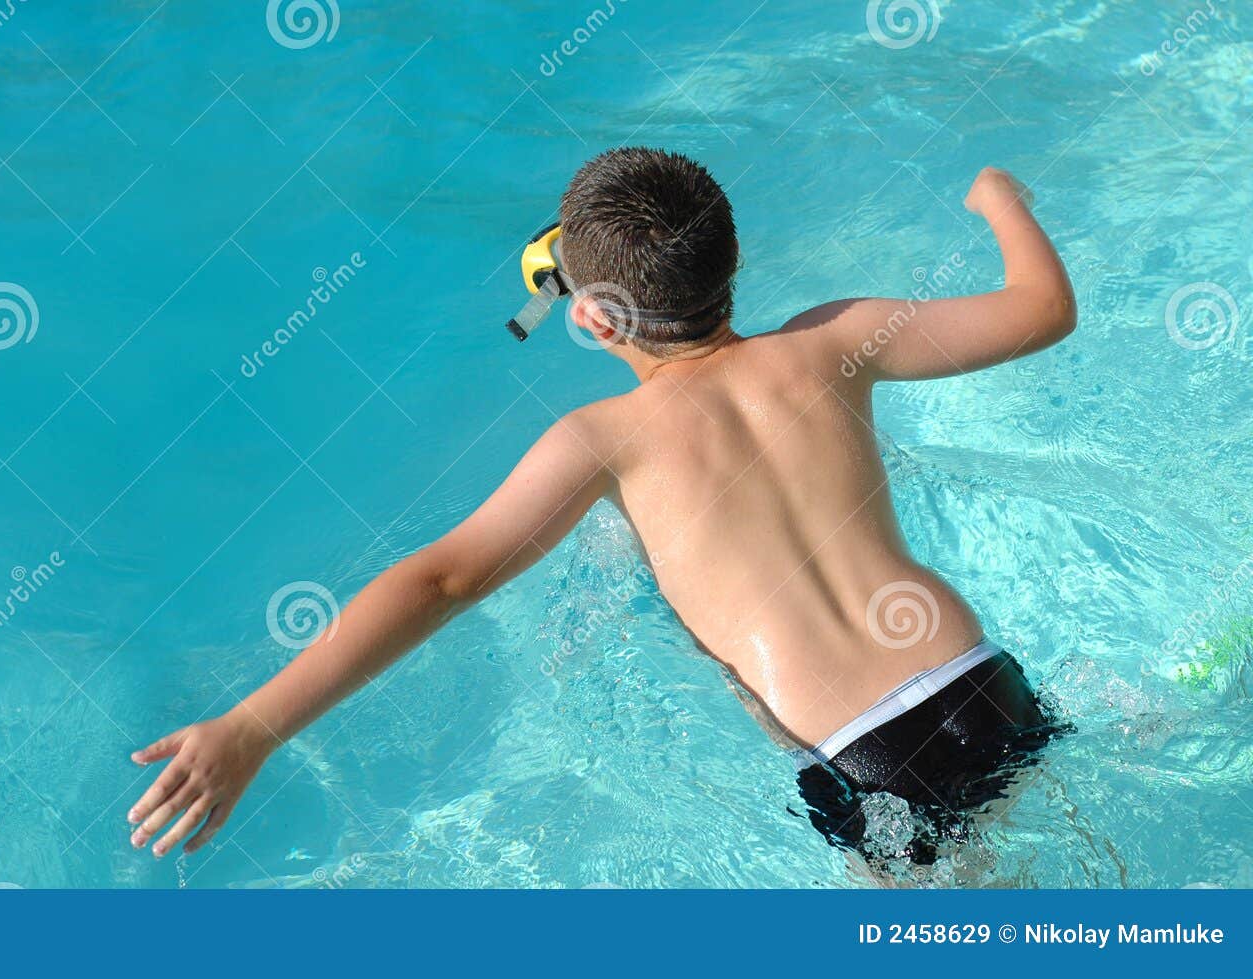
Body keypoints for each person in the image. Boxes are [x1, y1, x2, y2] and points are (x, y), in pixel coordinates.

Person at [125, 148, 1076, 864]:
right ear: (732, 264)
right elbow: (1041, 309)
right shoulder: (837, 338)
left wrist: (251, 726)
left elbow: (441, 579)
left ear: (590, 316)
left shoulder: (600, 441)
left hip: (861, 754)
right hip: (979, 678)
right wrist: (999, 197)